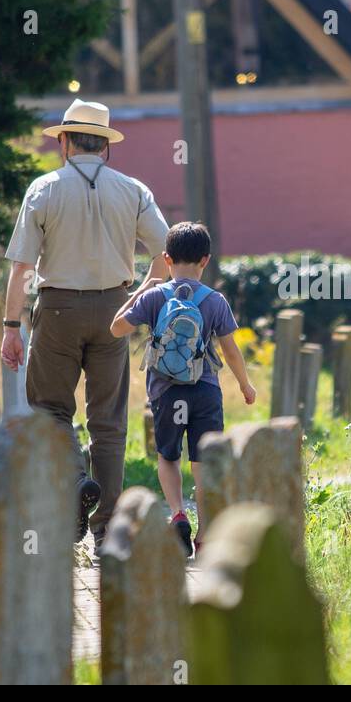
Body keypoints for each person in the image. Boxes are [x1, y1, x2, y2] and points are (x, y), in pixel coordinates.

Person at [0, 98, 169, 547]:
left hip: (57, 309)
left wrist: (10, 326)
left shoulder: (44, 188)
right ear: (106, 146)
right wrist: (140, 295)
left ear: (64, 141)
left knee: (51, 408)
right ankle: (106, 531)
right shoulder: (133, 190)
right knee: (108, 422)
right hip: (116, 309)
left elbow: (20, 269)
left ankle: (75, 481)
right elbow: (166, 253)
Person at [110, 221, 256, 553]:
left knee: (168, 456)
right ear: (206, 260)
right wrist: (246, 386)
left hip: (166, 392)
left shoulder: (154, 296)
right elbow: (230, 350)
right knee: (203, 462)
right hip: (204, 391)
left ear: (167, 257)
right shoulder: (215, 300)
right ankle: (204, 534)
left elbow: (116, 328)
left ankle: (177, 514)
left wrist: (142, 287)